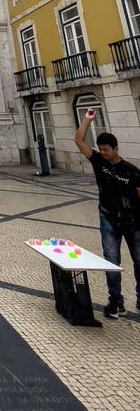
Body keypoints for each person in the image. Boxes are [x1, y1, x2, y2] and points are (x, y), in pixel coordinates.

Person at [74, 111, 140, 319]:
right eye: (100, 149)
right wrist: (87, 120)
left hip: (133, 221)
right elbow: (79, 141)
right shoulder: (98, 162)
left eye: (106, 150)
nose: (102, 153)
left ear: (115, 148)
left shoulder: (132, 171)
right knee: (111, 261)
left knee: (139, 260)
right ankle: (116, 301)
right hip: (108, 217)